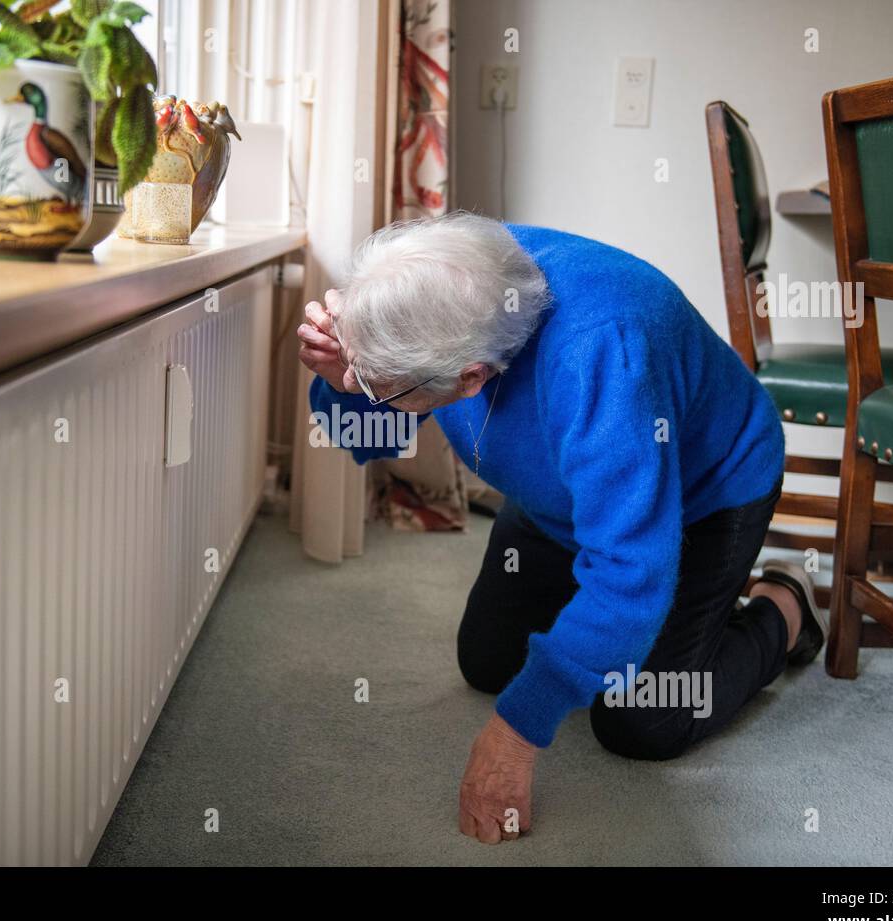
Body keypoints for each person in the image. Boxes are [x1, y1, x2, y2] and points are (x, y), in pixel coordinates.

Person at [296, 213, 825, 845]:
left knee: (642, 722)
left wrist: (516, 735)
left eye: (379, 388)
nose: (367, 394)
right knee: (489, 662)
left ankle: (783, 606)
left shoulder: (601, 351)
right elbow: (370, 433)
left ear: (471, 378)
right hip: (557, 493)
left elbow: (631, 574)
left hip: (702, 492)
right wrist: (343, 383)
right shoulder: (444, 275)